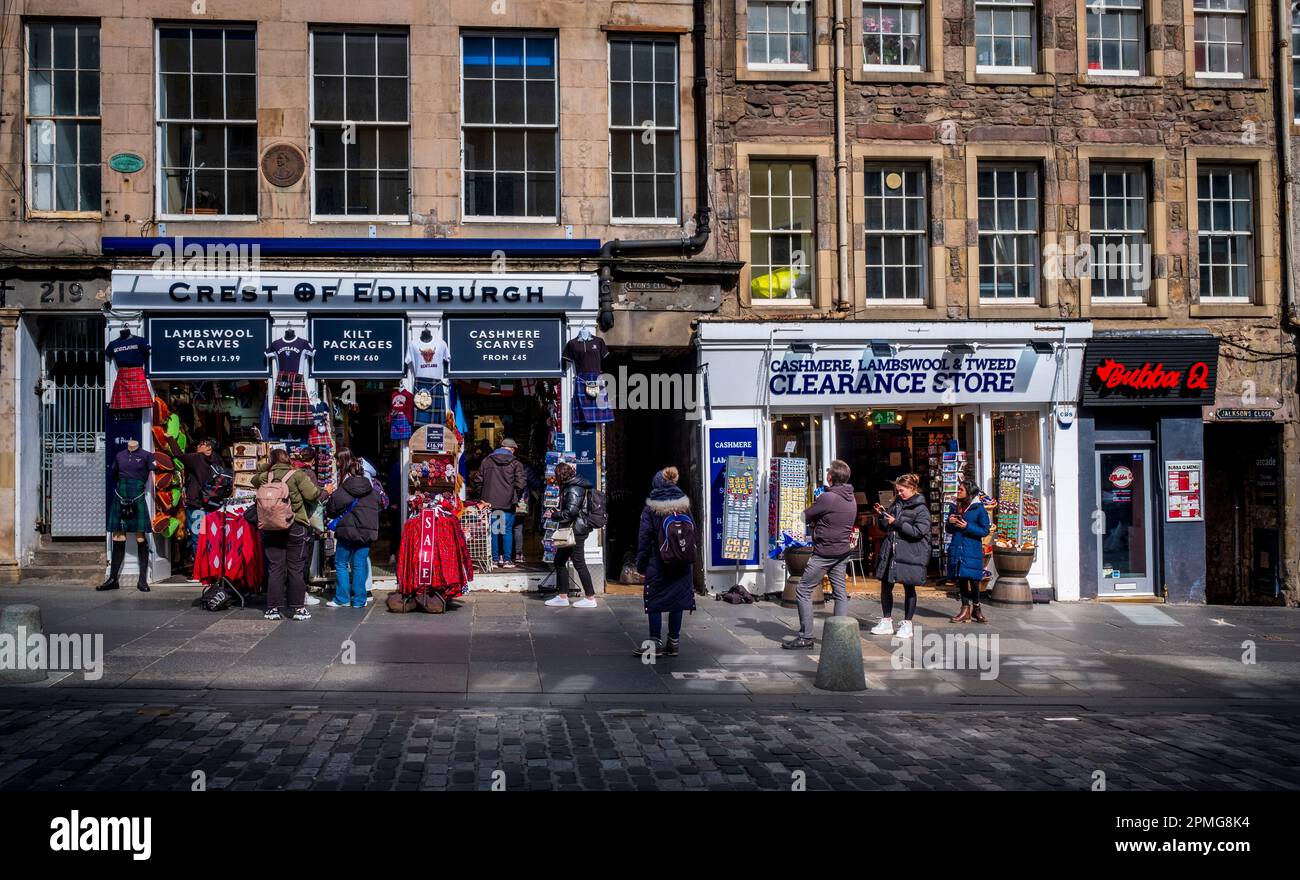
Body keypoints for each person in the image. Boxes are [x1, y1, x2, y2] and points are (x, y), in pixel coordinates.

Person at [783, 459, 856, 650]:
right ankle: (839, 636)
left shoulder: (828, 497)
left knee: (803, 589)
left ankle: (806, 637)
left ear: (830, 477)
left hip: (825, 552)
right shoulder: (851, 497)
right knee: (839, 593)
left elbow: (804, 516)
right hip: (842, 551)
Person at [252, 448, 329, 621]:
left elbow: (253, 478)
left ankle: (273, 608)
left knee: (275, 567)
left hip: (270, 527)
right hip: (295, 525)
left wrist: (268, 466)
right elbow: (313, 494)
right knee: (296, 568)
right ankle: (298, 609)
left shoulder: (266, 476)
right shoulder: (297, 475)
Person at [632, 467, 695, 657]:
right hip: (683, 562)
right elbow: (694, 535)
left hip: (659, 562)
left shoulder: (651, 509)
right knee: (677, 600)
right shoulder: (685, 506)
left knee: (655, 600)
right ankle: (673, 642)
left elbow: (644, 539)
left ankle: (655, 642)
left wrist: (641, 566)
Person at [870, 473, 932, 639]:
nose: (899, 493)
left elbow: (919, 532)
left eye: (902, 490)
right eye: (897, 490)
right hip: (892, 549)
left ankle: (907, 624)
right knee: (886, 585)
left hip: (910, 552)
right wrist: (883, 515)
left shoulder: (921, 509)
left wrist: (896, 522)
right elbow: (887, 526)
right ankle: (886, 620)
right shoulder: (897, 504)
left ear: (912, 488)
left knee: (909, 586)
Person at [324, 450, 382, 609]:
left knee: (341, 563)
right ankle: (359, 600)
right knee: (359, 564)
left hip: (347, 533)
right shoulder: (372, 491)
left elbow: (331, 509)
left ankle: (342, 598)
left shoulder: (344, 488)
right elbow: (379, 506)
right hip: (366, 533)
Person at [545, 461, 597, 607]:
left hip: (576, 531)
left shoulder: (574, 488)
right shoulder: (572, 485)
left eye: (556, 476)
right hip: (572, 530)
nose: (554, 479)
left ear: (561, 475)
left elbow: (571, 512)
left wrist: (554, 515)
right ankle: (562, 596)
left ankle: (590, 598)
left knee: (579, 563)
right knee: (560, 561)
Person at [472, 438, 527, 568]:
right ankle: (507, 560)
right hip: (508, 503)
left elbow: (478, 481)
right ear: (512, 449)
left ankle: (495, 560)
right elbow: (521, 484)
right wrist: (514, 497)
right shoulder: (516, 463)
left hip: (490, 502)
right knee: (507, 530)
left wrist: (484, 497)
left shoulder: (486, 461)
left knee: (494, 530)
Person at [946, 478, 991, 624]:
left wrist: (967, 526)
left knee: (974, 579)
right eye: (958, 489)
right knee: (962, 578)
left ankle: (976, 609)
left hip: (971, 548)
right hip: (958, 547)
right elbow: (949, 530)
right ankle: (965, 609)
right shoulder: (955, 507)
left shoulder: (978, 508)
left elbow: (985, 530)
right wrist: (950, 523)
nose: (958, 491)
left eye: (961, 490)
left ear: (969, 493)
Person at [180, 438, 223, 564]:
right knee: (212, 537)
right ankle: (212, 567)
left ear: (208, 447)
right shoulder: (218, 460)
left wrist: (170, 438)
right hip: (213, 505)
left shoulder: (197, 458)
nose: (197, 447)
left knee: (197, 537)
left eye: (200, 444)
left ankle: (200, 569)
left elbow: (178, 455)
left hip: (196, 504)